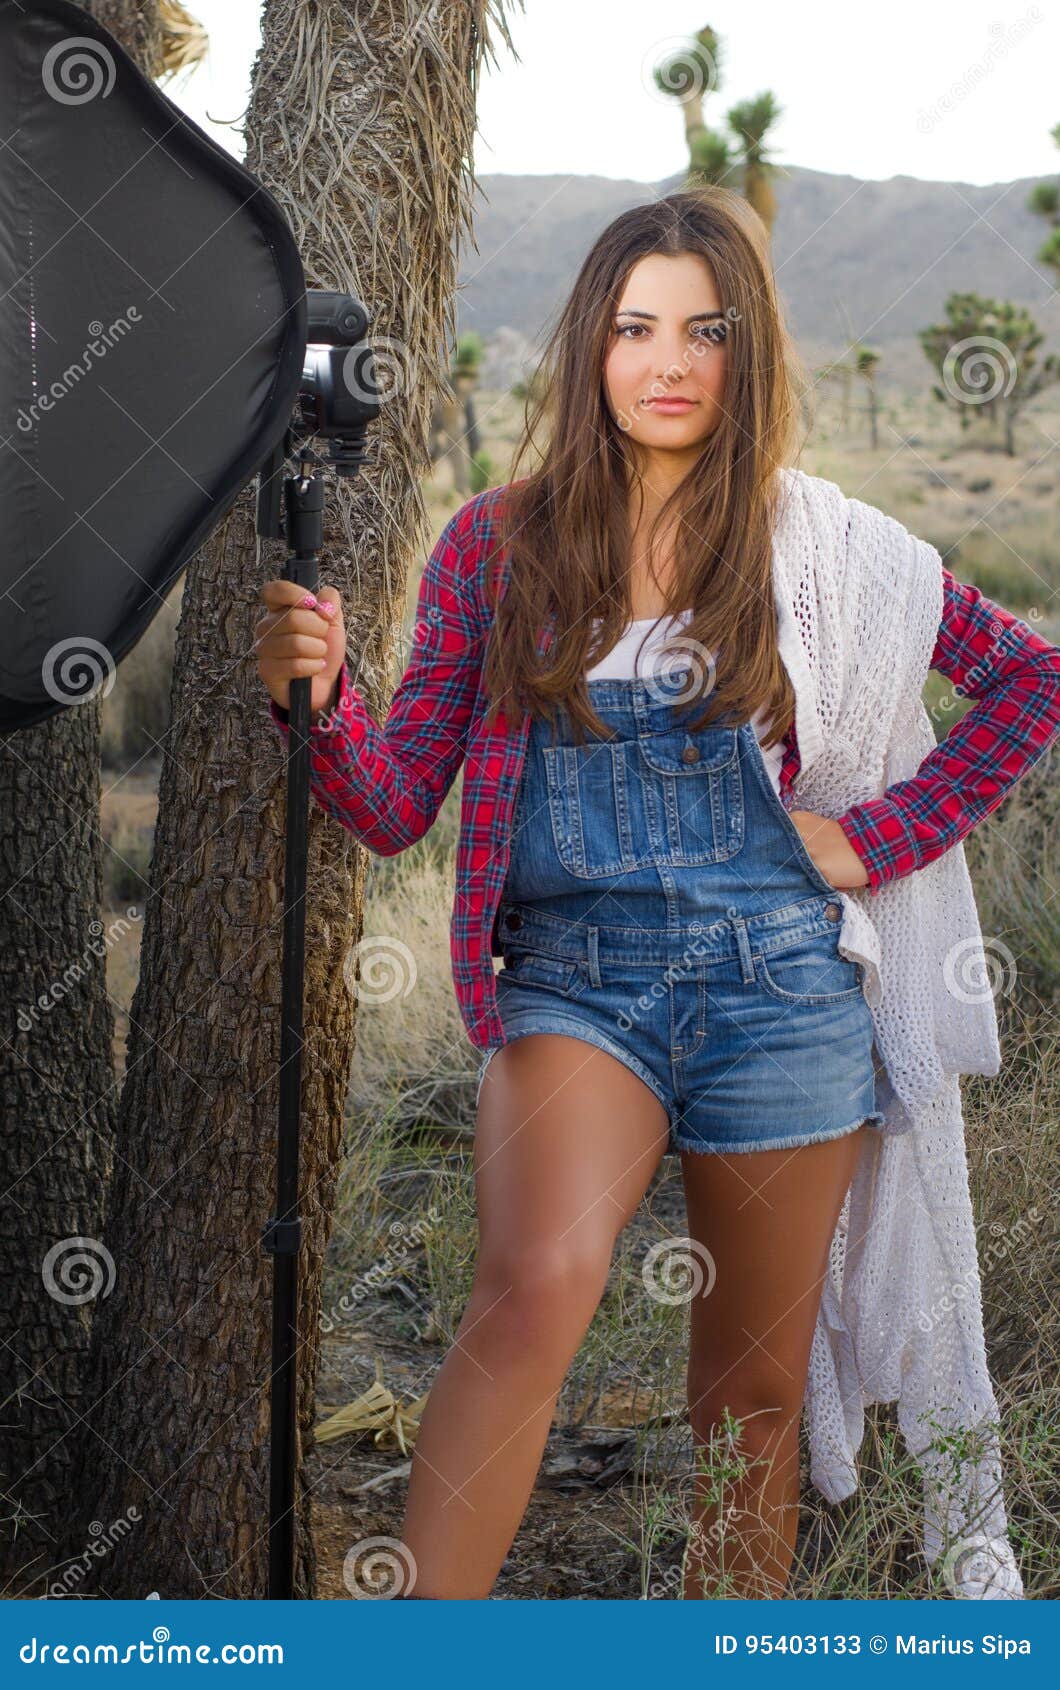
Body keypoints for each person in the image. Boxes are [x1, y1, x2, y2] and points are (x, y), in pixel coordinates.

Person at [255, 189, 1060, 1600]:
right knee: (531, 1291)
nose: (668, 361)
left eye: (705, 330)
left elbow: (1030, 679)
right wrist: (318, 703)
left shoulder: (825, 555)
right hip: (577, 982)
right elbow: (391, 808)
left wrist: (872, 841)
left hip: (784, 990)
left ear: (750, 358)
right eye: (635, 328)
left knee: (744, 1396)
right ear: (590, 347)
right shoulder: (496, 551)